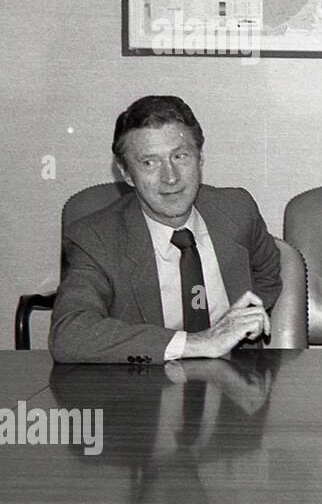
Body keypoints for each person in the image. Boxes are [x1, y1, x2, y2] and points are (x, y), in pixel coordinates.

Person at [49, 96, 281, 364]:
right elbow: (69, 335)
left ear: (200, 159)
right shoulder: (95, 238)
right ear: (125, 173)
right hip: (144, 387)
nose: (170, 177)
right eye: (150, 162)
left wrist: (240, 323)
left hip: (236, 381)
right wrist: (199, 343)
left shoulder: (238, 210)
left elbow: (268, 273)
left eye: (180, 156)